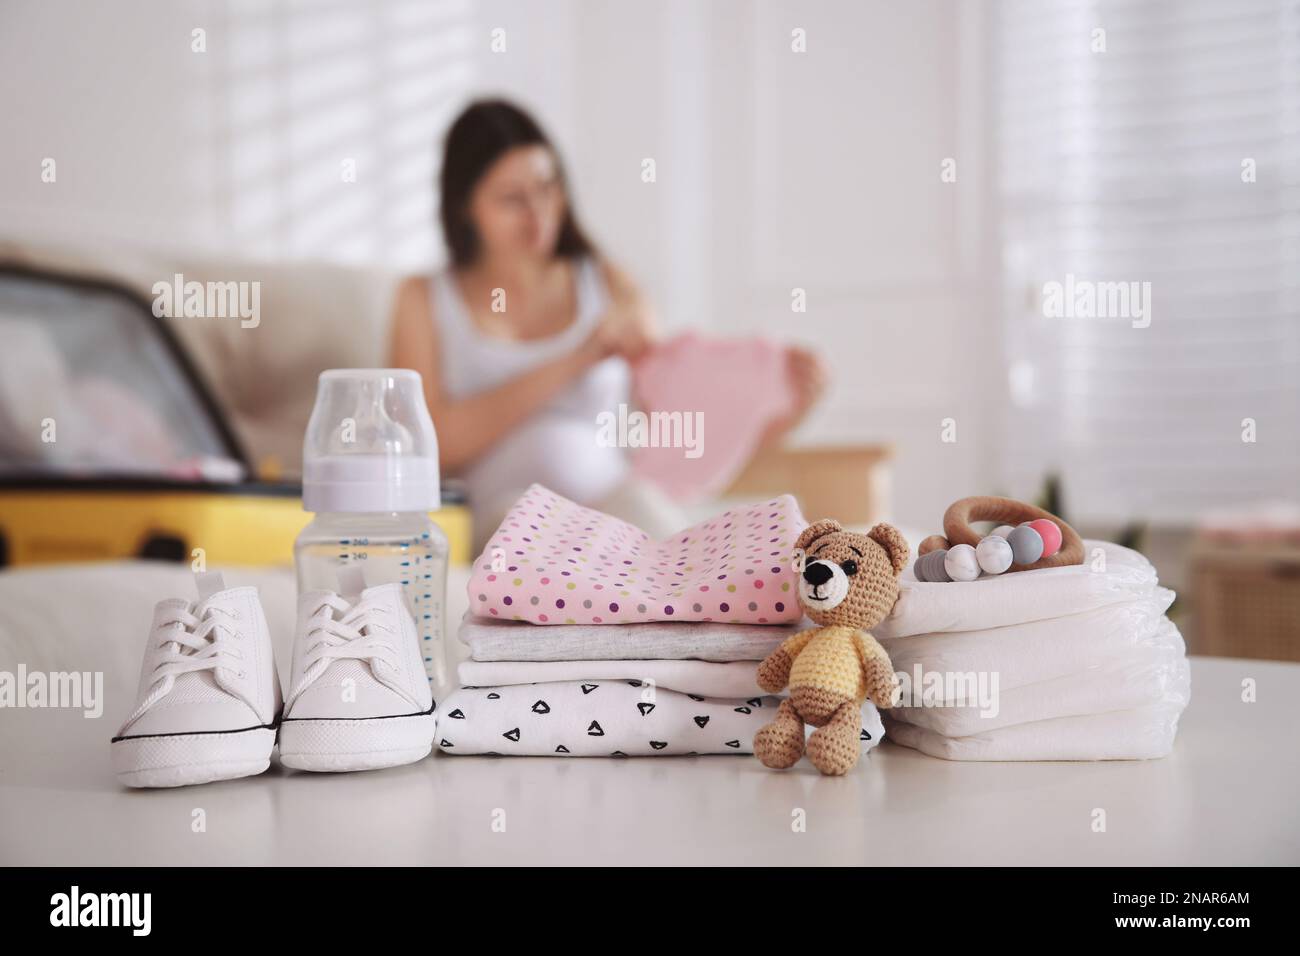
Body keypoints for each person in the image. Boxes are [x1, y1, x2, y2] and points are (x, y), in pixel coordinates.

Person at [390, 98, 823, 547]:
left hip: (613, 498)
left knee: (650, 522)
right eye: (512, 199)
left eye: (547, 186)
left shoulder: (607, 281)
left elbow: (679, 423)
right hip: (500, 513)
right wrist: (577, 359)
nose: (538, 214)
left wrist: (783, 397)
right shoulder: (422, 299)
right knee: (524, 529)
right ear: (464, 206)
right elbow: (431, 443)